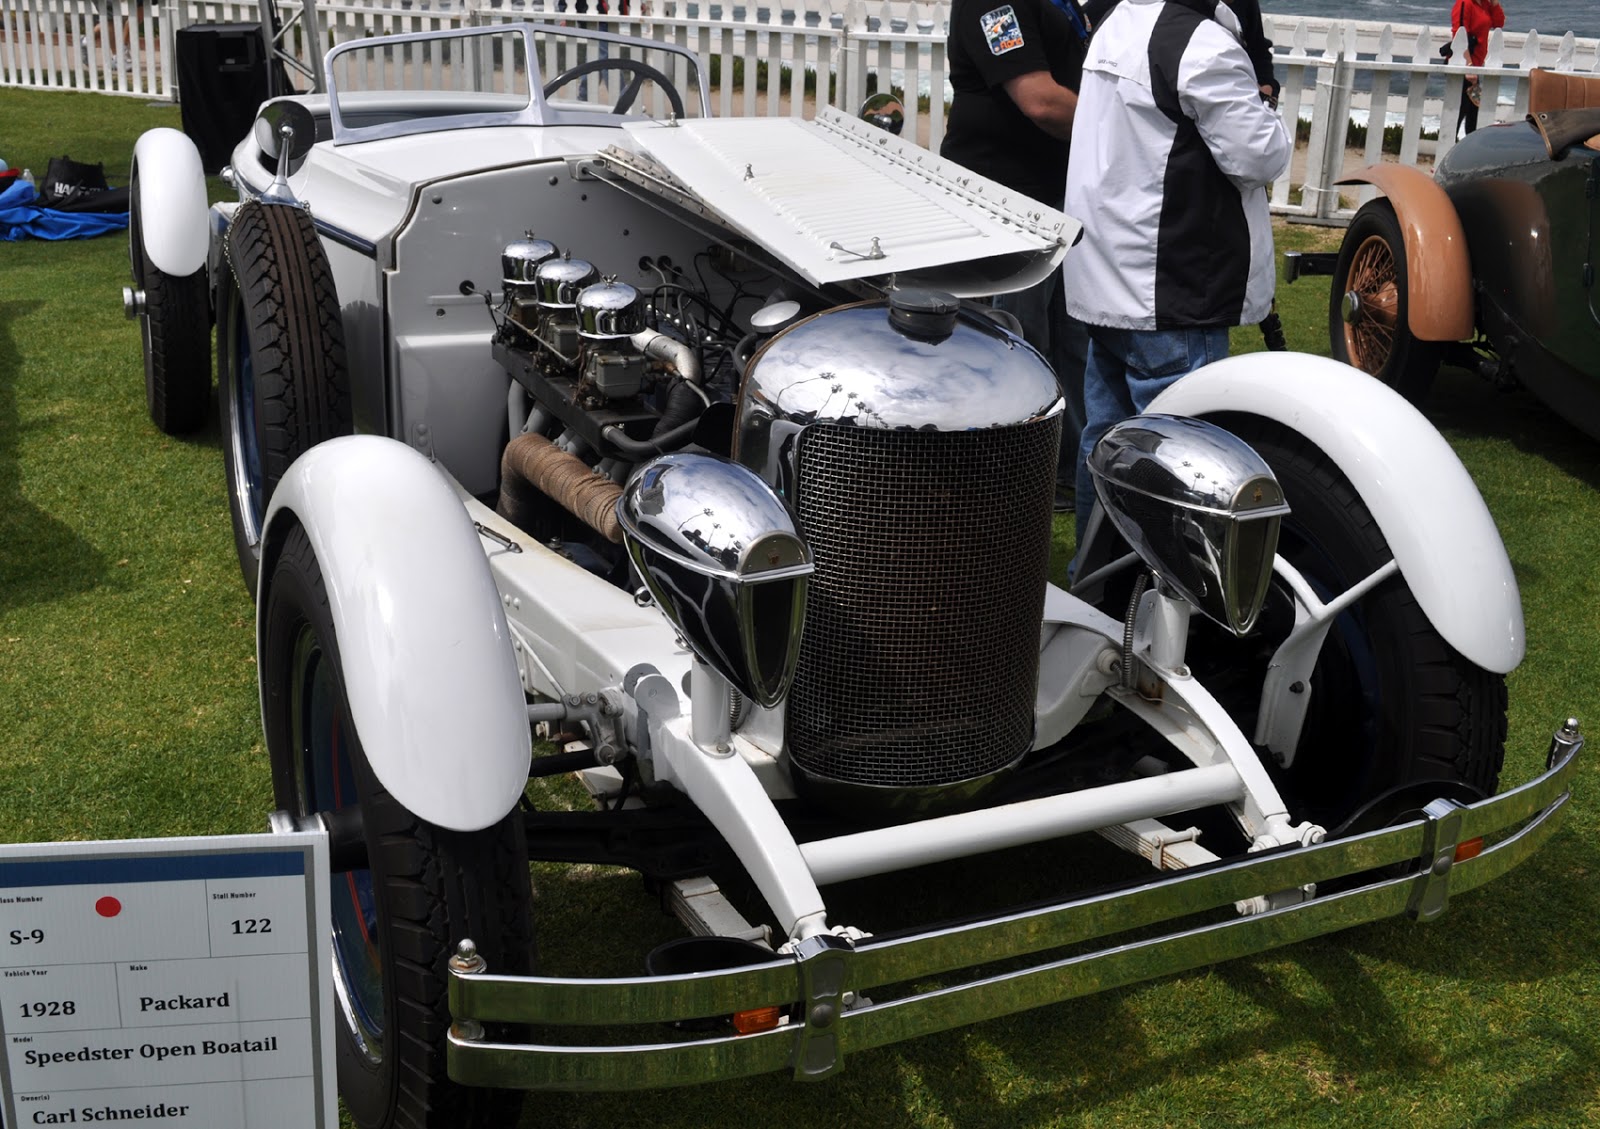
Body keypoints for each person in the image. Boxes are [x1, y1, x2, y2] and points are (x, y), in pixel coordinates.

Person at [1061, 0, 1290, 547]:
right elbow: (1259, 156)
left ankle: (1094, 581)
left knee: (1106, 443)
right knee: (1184, 461)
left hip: (1110, 276)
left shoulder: (1120, 23)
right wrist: (1269, 113)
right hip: (1174, 290)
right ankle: (1169, 604)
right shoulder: (1202, 45)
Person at [940, 0, 1091, 511]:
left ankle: (1063, 475)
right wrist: (1126, 126)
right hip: (1001, 205)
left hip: (1049, 203)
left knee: (1070, 347)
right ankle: (997, 483)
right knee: (1010, 347)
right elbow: (1040, 101)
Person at [1451, 0, 1505, 135]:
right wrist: (1468, 65)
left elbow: (1499, 23)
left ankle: (1466, 151)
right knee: (1458, 113)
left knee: (1473, 116)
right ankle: (1449, 149)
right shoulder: (1465, 3)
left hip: (1474, 68)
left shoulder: (1484, 4)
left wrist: (1494, 3)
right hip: (1463, 67)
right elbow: (1459, 34)